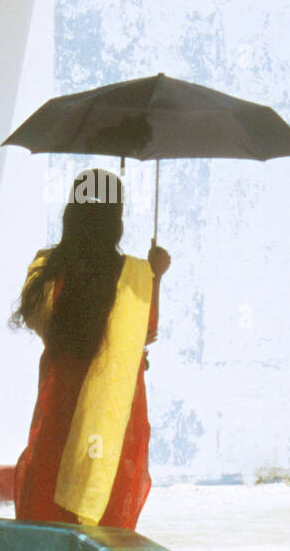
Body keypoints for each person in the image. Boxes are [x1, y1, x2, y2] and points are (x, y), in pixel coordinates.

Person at [10, 168, 170, 530]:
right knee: (103, 473)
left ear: (72, 213)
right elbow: (147, 330)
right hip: (111, 405)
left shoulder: (46, 268)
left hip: (59, 396)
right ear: (116, 220)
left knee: (52, 467)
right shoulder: (134, 274)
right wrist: (156, 276)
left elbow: (39, 322)